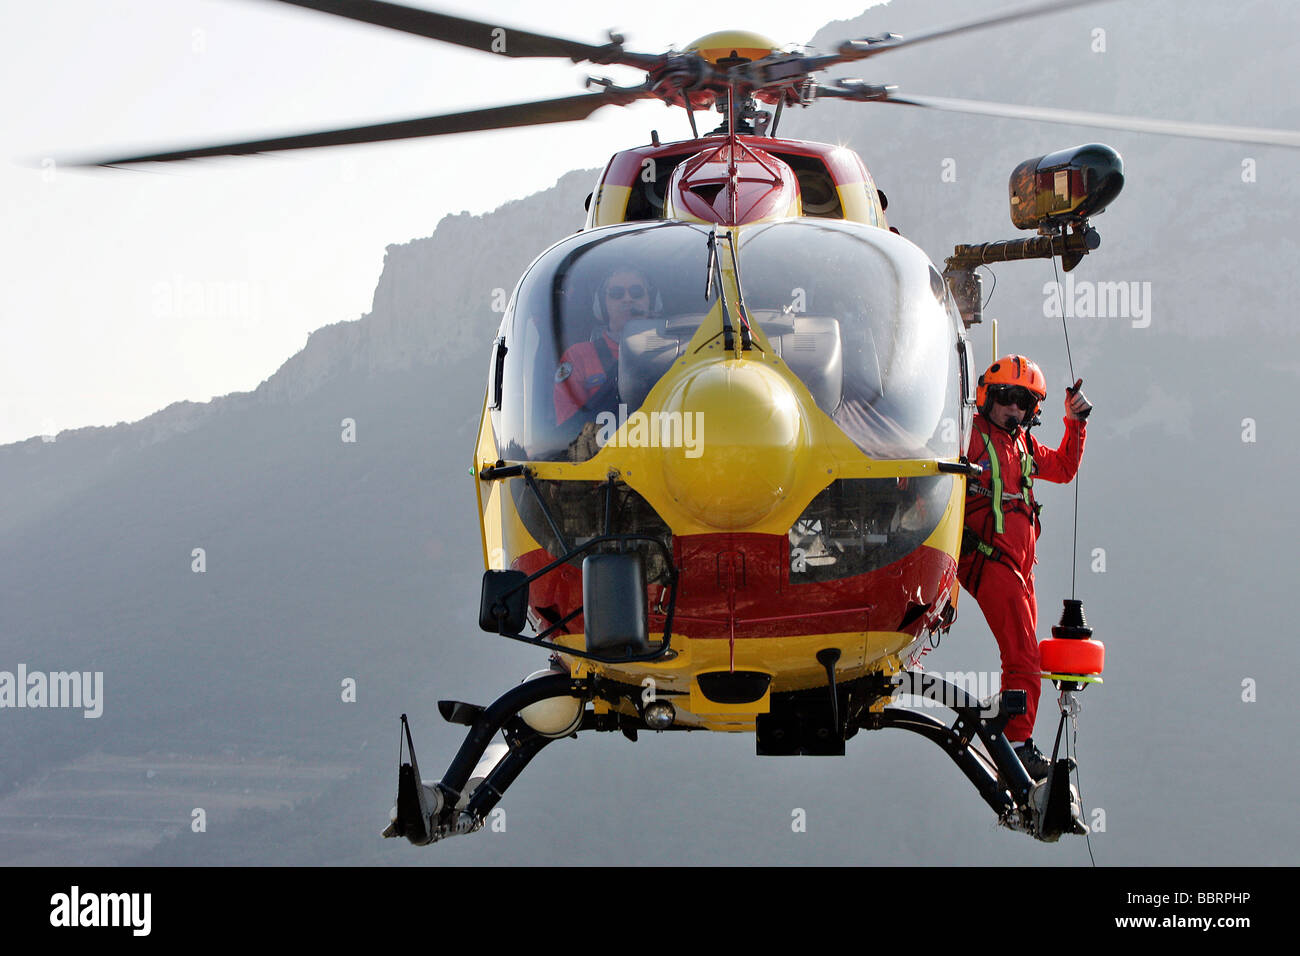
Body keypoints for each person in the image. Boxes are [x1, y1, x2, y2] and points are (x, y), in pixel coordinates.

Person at [957, 355, 1092, 781]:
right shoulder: (970, 437)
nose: (1013, 408)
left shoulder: (1024, 446)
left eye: (1023, 402)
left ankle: (1013, 740)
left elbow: (1066, 469)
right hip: (988, 559)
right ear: (988, 399)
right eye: (1005, 398)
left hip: (1017, 568)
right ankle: (1015, 749)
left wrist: (1076, 423)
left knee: (1026, 658)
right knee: (1023, 660)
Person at [553, 267, 656, 426]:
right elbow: (569, 430)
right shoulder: (577, 357)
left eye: (637, 292)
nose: (627, 299)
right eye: (616, 293)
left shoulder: (677, 350)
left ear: (652, 301)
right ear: (602, 304)